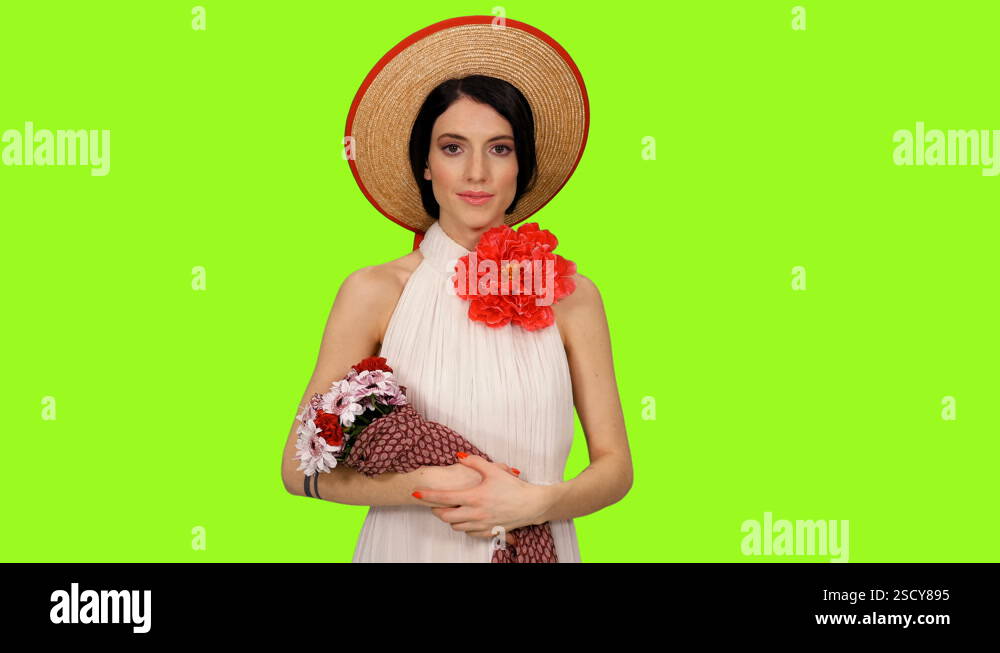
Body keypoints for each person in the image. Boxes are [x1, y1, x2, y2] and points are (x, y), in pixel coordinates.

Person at [280, 16, 632, 562]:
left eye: (499, 148)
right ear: (425, 164)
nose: (476, 173)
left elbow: (616, 468)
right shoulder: (374, 291)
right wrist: (428, 487)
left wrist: (537, 503)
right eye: (452, 148)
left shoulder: (571, 296)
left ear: (521, 164)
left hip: (542, 540)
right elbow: (299, 468)